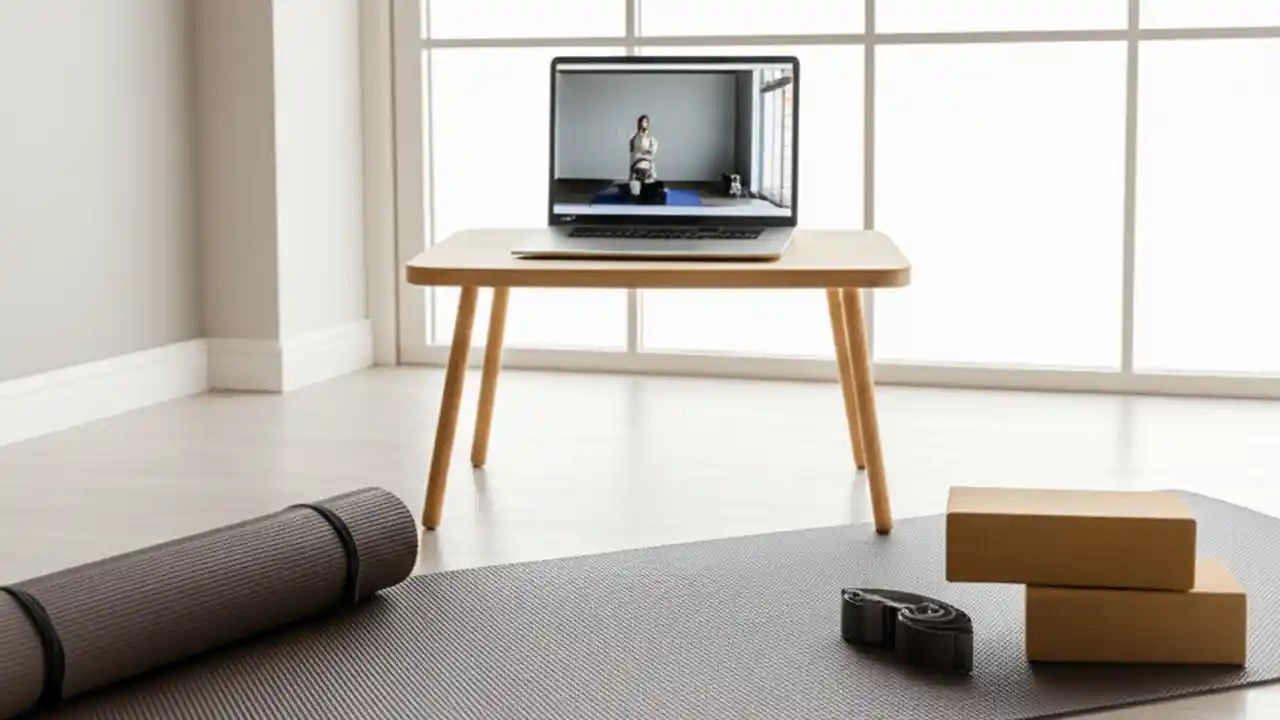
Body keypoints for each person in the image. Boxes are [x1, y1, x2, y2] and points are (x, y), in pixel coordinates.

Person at [628, 114, 657, 196]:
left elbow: (652, 152)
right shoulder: (635, 138)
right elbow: (636, 151)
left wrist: (646, 152)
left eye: (645, 122)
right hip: (637, 165)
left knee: (648, 190)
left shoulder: (652, 139)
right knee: (635, 191)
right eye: (641, 122)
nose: (643, 124)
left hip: (648, 165)